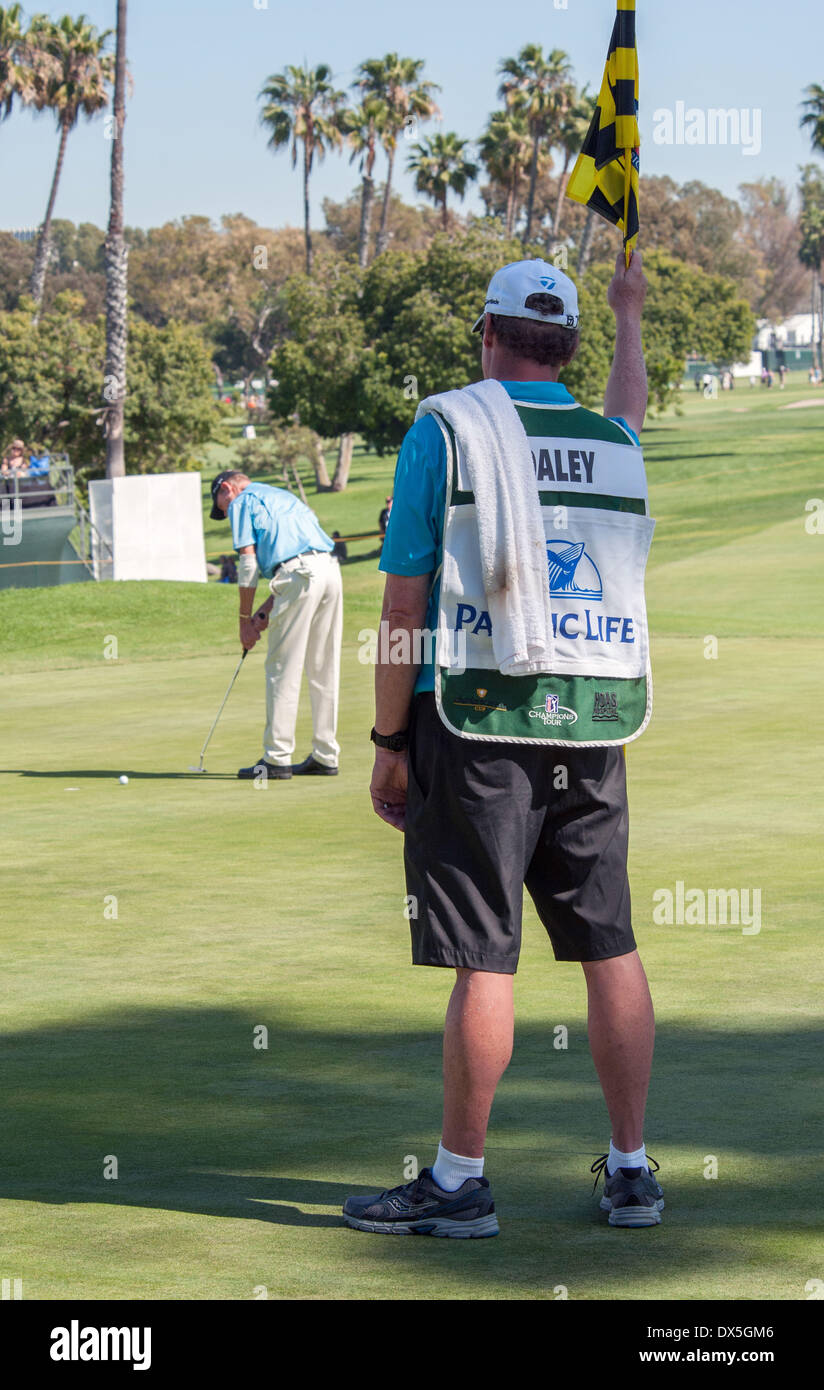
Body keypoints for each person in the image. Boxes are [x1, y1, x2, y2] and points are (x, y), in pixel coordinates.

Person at [343, 252, 663, 1238]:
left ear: (485, 336)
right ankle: (631, 1169)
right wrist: (629, 316)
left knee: (484, 956)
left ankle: (458, 1181)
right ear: (563, 345)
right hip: (591, 719)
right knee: (606, 942)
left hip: (475, 718)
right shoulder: (609, 443)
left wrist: (388, 737)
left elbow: (403, 604)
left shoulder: (446, 428)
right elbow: (622, 411)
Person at [210, 470, 343, 780]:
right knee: (323, 667)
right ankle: (326, 755)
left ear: (228, 488)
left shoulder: (243, 500)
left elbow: (248, 563)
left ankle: (277, 758)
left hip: (298, 575)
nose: (227, 512)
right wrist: (262, 615)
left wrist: (244, 622)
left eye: (223, 506)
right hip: (329, 570)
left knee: (282, 668)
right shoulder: (283, 496)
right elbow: (298, 564)